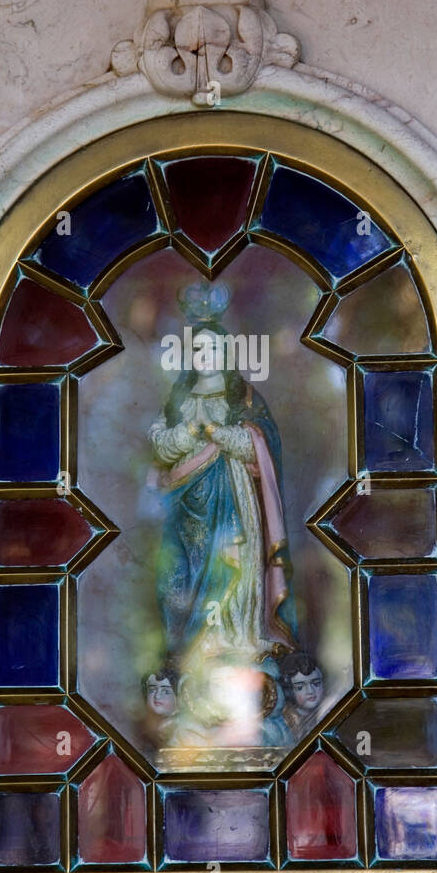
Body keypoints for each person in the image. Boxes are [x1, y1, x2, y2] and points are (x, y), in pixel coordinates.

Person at [147, 284, 296, 749]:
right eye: (199, 349)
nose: (206, 355)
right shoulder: (178, 399)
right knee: (188, 577)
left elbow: (259, 443)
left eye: (214, 348)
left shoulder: (244, 398)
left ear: (227, 353)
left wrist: (216, 432)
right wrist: (197, 429)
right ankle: (198, 649)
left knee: (234, 571)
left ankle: (238, 639)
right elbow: (163, 446)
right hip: (189, 512)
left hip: (235, 507)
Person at [280, 652, 324, 741]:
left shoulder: (326, 712)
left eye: (316, 684)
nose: (310, 691)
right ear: (289, 691)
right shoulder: (285, 722)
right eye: (300, 687)